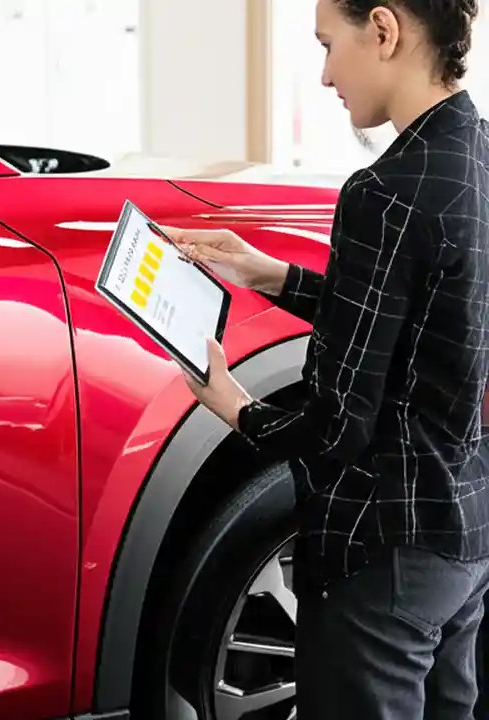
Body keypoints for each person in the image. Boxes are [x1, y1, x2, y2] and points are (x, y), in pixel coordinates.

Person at [165, 1, 489, 717]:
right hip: (460, 535)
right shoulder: (476, 154)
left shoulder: (384, 192)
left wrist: (240, 412)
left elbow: (338, 424)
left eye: (327, 44)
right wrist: (275, 277)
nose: (323, 75)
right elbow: (426, 321)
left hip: (380, 554)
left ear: (383, 29)